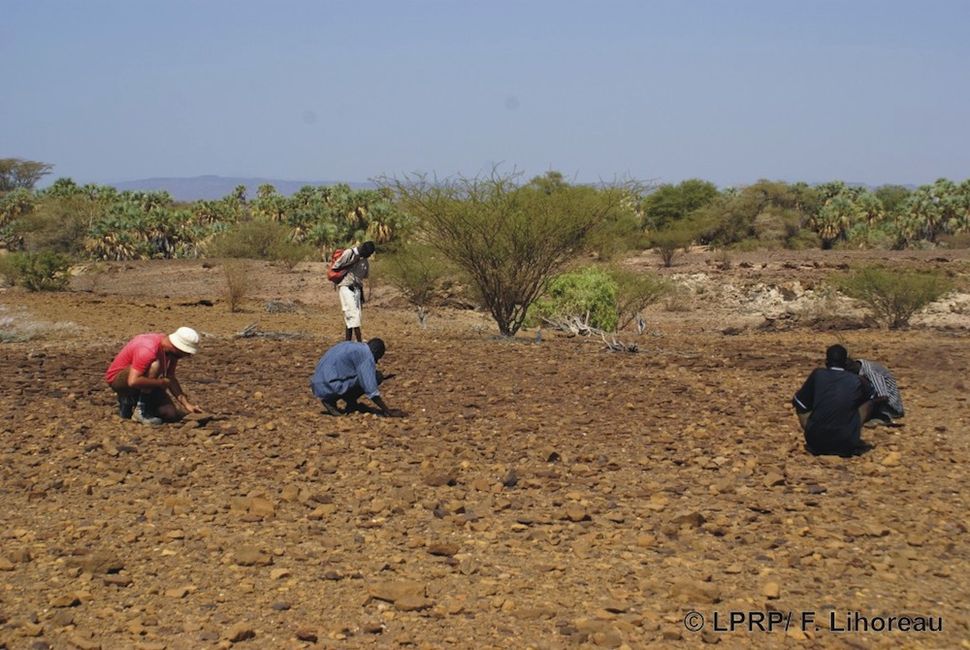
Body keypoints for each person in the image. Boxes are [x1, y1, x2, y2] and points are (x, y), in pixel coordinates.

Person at [105, 327, 203, 425]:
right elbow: (133, 381)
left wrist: (187, 405)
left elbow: (170, 377)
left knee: (169, 413)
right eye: (185, 353)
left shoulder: (171, 353)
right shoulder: (149, 349)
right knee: (155, 365)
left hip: (145, 382)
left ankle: (133, 400)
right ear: (177, 347)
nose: (186, 356)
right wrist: (160, 383)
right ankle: (140, 409)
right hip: (119, 380)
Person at [792, 344, 878, 456]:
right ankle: (850, 432)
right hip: (846, 443)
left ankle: (815, 431)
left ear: (826, 362)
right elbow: (873, 395)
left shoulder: (818, 375)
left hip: (815, 443)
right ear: (846, 362)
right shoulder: (856, 380)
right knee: (869, 401)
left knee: (801, 402)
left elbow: (799, 401)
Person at [310, 338, 400, 417]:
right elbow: (370, 388)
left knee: (370, 376)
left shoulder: (354, 346)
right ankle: (331, 400)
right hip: (330, 385)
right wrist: (387, 411)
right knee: (376, 376)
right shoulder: (366, 355)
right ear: (376, 351)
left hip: (318, 383)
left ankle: (350, 403)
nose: (376, 362)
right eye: (377, 358)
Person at [331, 241, 376, 342]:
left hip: (357, 290)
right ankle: (359, 342)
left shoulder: (365, 261)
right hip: (346, 286)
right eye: (367, 253)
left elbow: (361, 279)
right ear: (362, 249)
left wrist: (361, 295)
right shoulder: (349, 253)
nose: (368, 256)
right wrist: (352, 262)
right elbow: (336, 267)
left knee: (353, 317)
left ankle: (348, 341)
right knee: (353, 315)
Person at [847, 357, 904, 425]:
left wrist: (865, 405)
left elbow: (883, 396)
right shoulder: (860, 368)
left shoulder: (870, 372)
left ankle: (882, 417)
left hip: (890, 406)